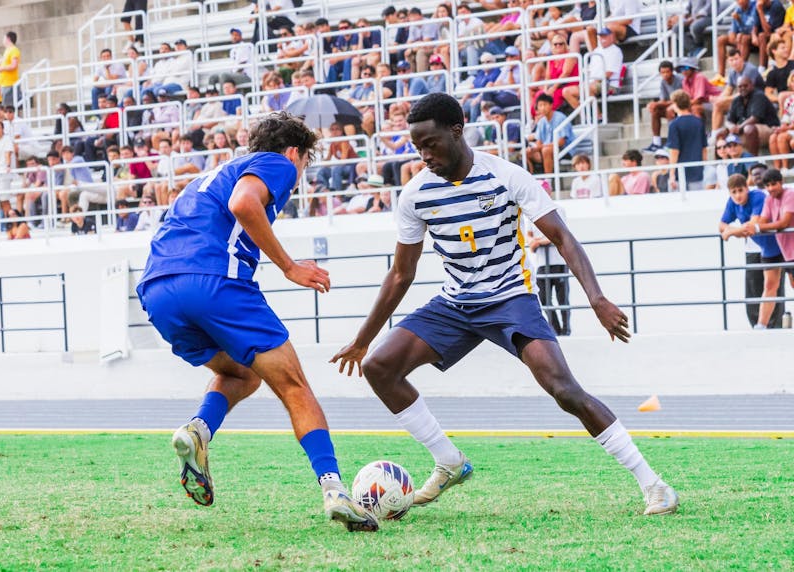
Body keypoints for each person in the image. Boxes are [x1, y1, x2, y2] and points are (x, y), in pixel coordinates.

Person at [330, 93, 679, 516]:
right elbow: (402, 273)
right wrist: (362, 340)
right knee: (378, 367)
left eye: (431, 144)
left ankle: (655, 485)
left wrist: (597, 298)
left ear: (457, 130)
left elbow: (562, 238)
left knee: (564, 390)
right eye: (417, 147)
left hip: (510, 298)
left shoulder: (505, 176)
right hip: (455, 304)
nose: (424, 155)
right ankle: (450, 461)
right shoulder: (415, 195)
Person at [135, 112, 377, 532]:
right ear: (294, 152)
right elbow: (244, 203)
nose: (298, 176)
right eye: (304, 164)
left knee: (243, 375)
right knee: (294, 385)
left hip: (158, 291)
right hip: (214, 282)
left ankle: (199, 429)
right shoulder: (277, 163)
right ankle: (335, 489)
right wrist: (288, 266)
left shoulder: (206, 178)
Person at [720, 173, 786, 329]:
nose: (738, 195)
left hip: (782, 244)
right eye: (734, 192)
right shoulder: (732, 202)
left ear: (747, 189)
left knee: (785, 283)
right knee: (769, 286)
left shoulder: (757, 196)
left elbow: (753, 225)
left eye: (740, 190)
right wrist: (732, 230)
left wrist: (730, 232)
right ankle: (761, 326)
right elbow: (721, 225)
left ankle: (774, 324)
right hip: (767, 249)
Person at [529, 180, 571, 335]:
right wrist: (532, 242)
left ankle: (566, 330)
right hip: (541, 262)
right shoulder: (531, 211)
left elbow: (560, 235)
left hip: (558, 261)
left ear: (549, 192)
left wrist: (538, 242)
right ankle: (556, 330)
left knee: (562, 300)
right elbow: (529, 234)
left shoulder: (558, 210)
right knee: (544, 299)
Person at [746, 168, 794, 287]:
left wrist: (757, 227)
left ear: (781, 182)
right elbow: (763, 220)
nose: (771, 188)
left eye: (773, 184)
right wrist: (756, 226)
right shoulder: (769, 199)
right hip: (787, 251)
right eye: (767, 185)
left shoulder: (790, 194)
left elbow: (784, 223)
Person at [666, 89, 708, 191]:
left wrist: (671, 174)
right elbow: (704, 149)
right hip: (697, 171)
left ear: (675, 104)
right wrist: (703, 167)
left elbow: (674, 151)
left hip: (680, 173)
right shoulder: (698, 122)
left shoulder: (674, 125)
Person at [642, 61, 683, 153]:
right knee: (655, 111)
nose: (665, 75)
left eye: (667, 72)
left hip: (682, 106)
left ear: (672, 71)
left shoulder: (680, 80)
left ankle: (672, 140)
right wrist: (653, 104)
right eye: (662, 72)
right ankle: (656, 142)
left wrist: (657, 104)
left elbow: (679, 99)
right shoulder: (663, 82)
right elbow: (663, 100)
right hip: (672, 106)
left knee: (669, 110)